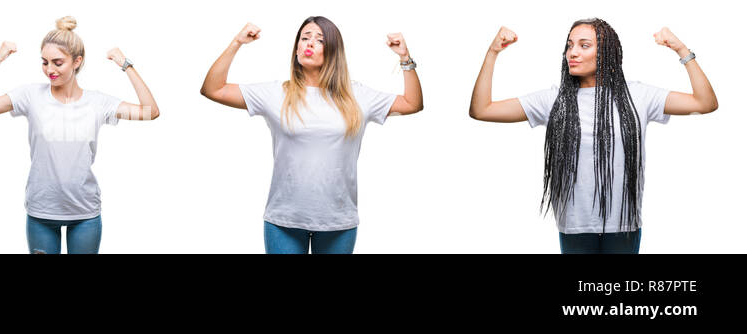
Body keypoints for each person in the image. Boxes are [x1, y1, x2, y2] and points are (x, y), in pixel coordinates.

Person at [468, 19, 718, 254]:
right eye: (569, 45)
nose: (572, 53)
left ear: (607, 53)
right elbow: (482, 110)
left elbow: (705, 103)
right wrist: (492, 53)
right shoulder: (553, 100)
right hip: (575, 226)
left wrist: (681, 50)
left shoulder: (639, 96)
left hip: (624, 226)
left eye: (583, 45)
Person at [199, 17, 423, 254]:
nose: (309, 43)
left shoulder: (357, 96)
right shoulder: (275, 93)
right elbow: (213, 89)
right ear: (296, 49)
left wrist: (404, 58)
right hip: (283, 221)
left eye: (319, 39)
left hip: (339, 222)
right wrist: (237, 42)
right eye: (304, 38)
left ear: (334, 50)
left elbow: (412, 103)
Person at [0, 16, 160, 254]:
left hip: (84, 213)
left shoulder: (98, 102)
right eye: (45, 62)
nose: (50, 70)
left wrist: (126, 64)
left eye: (58, 62)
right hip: (41, 211)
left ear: (77, 61)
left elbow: (150, 111)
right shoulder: (30, 96)